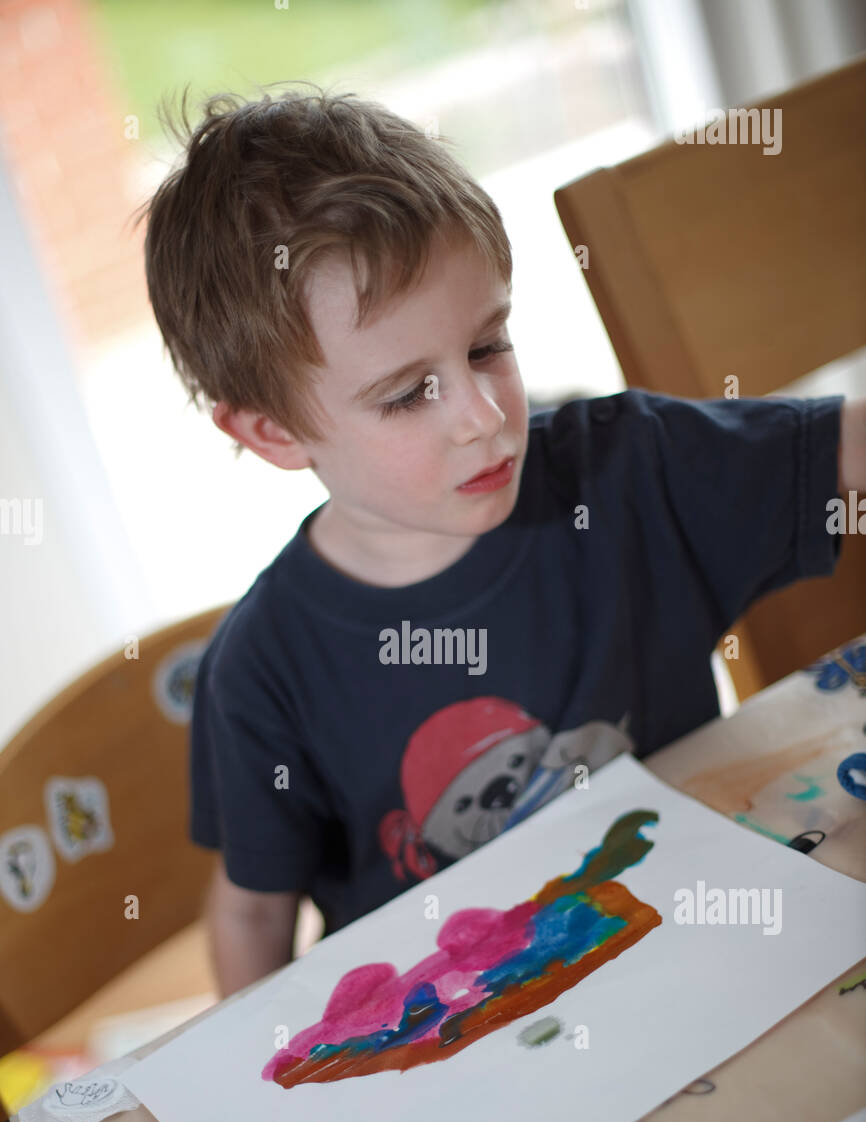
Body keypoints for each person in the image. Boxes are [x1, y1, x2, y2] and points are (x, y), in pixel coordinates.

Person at [138, 83, 865, 996]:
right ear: (273, 432)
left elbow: (846, 447)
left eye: (488, 346)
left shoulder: (627, 471)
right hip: (459, 1026)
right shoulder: (264, 670)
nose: (484, 415)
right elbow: (252, 913)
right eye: (409, 393)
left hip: (703, 951)